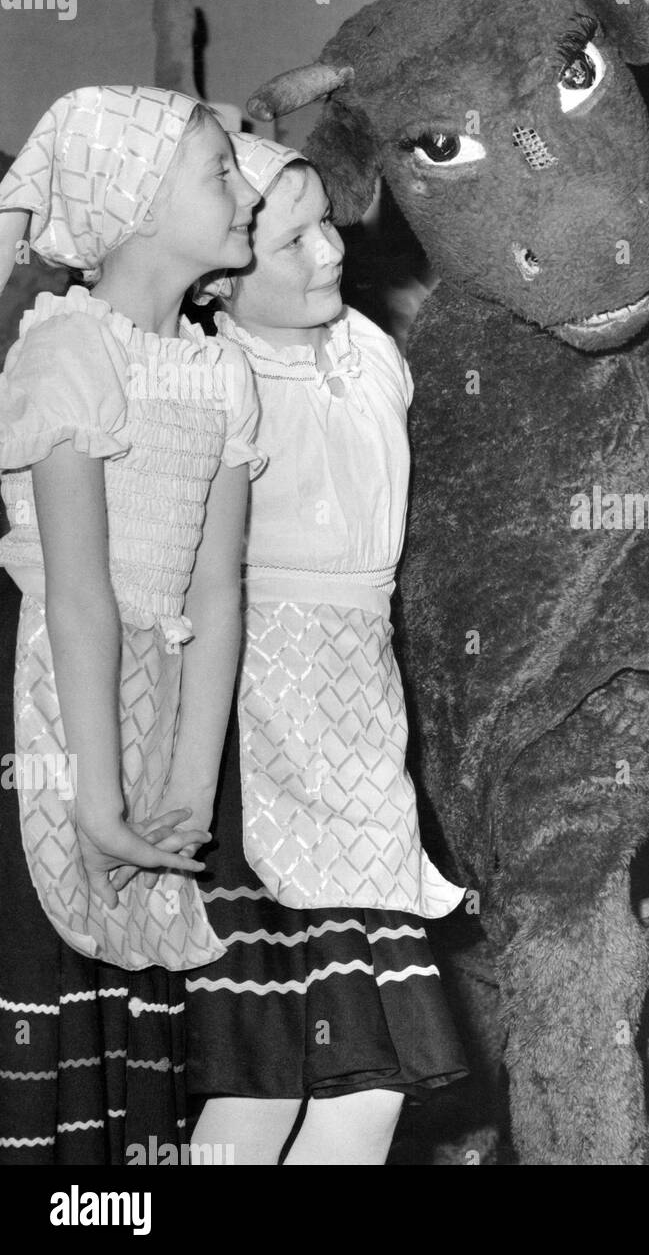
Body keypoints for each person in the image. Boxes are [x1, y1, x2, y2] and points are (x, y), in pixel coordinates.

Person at [184, 133, 465, 1165]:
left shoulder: (371, 354)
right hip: (256, 750)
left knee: (366, 1087)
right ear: (214, 278)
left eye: (326, 225)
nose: (330, 252)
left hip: (362, 741)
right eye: (289, 239)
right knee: (264, 1086)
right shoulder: (211, 383)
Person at [0, 86, 263, 1161]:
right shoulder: (67, 352)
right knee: (48, 988)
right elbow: (80, 596)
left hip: (155, 697)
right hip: (52, 702)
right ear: (138, 202)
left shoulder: (220, 368)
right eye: (219, 173)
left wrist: (187, 787)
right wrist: (99, 798)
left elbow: (215, 592)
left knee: (138, 1024)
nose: (246, 189)